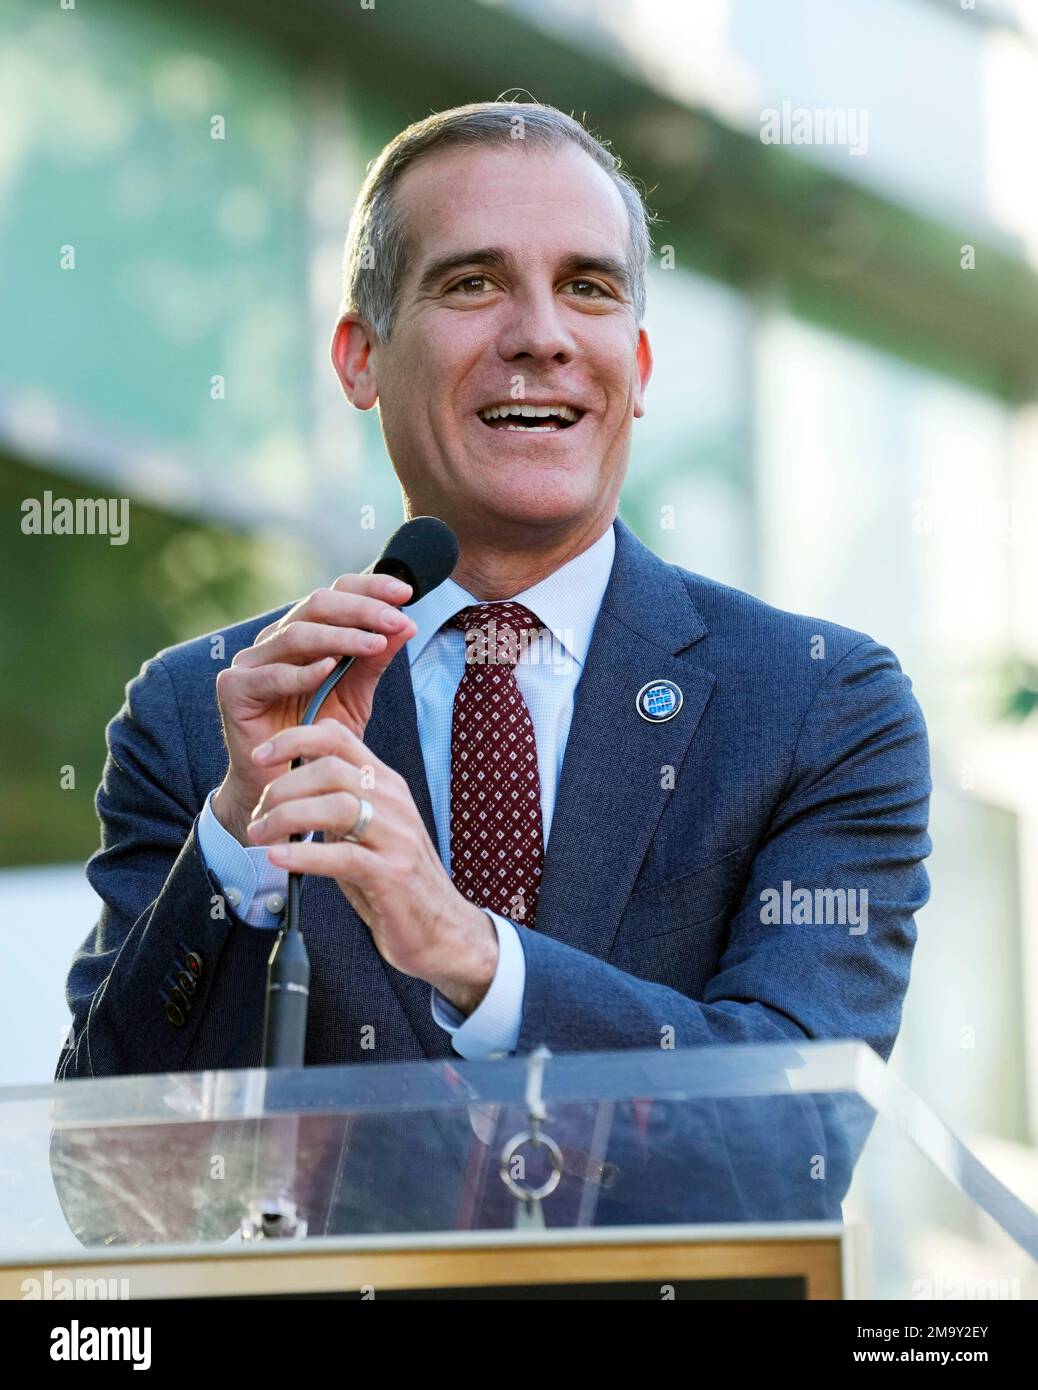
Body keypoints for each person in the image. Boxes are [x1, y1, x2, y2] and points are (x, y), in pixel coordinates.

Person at [57, 101, 931, 1097]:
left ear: (637, 369)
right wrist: (238, 841)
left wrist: (475, 957)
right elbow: (109, 1177)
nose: (543, 336)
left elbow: (799, 1122)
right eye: (473, 282)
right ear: (360, 358)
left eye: (588, 288)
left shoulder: (818, 705)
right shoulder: (197, 718)